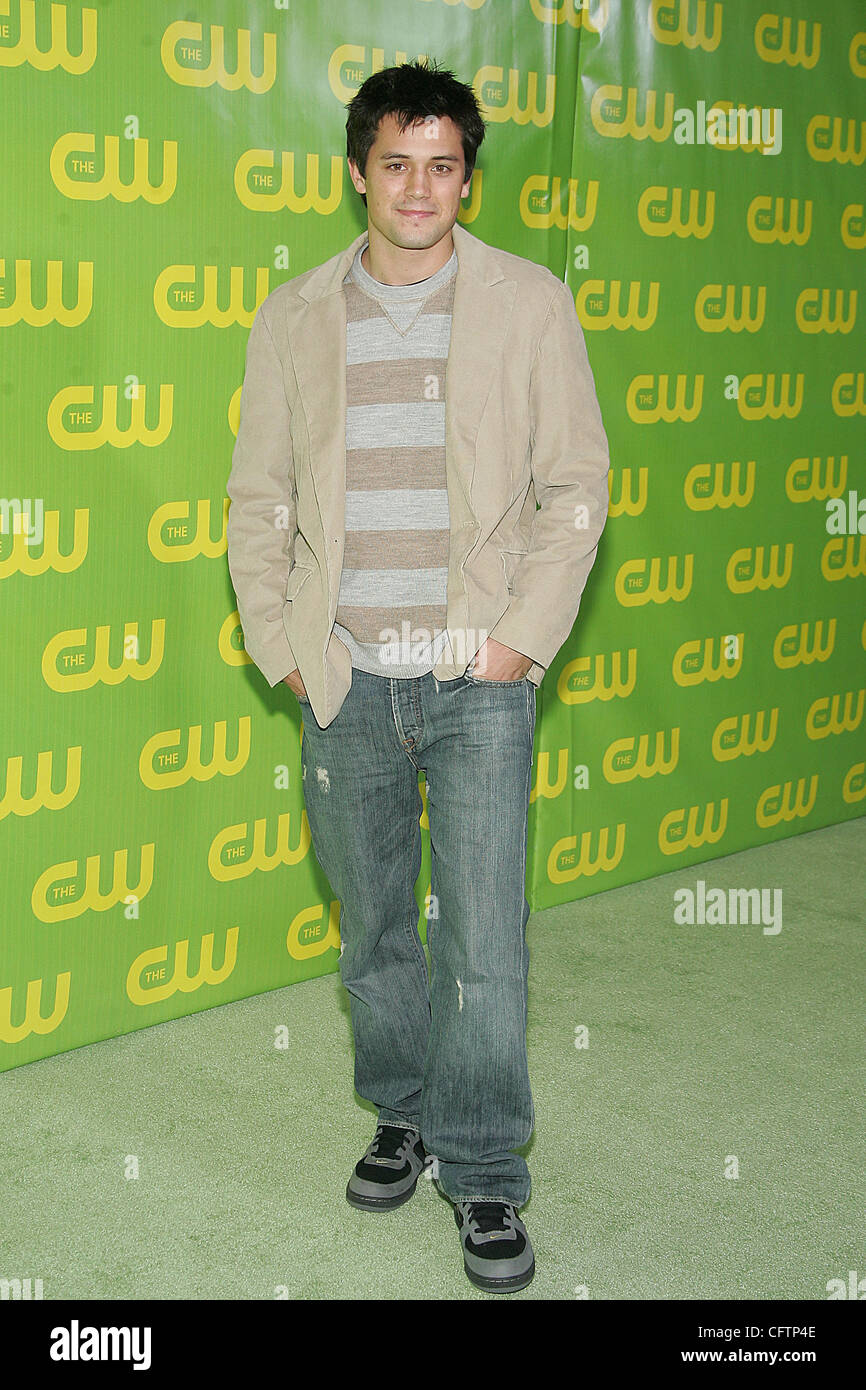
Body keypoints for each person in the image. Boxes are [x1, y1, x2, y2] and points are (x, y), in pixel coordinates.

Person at [226, 57, 610, 1294]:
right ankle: (400, 1109)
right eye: (396, 163)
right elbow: (257, 502)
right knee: (376, 932)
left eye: (442, 165)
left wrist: (515, 642)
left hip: (477, 676)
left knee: (483, 942)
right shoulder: (293, 315)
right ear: (359, 172)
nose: (418, 187)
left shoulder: (529, 302)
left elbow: (576, 491)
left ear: (465, 176)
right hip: (345, 678)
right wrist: (287, 649)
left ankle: (485, 1172)